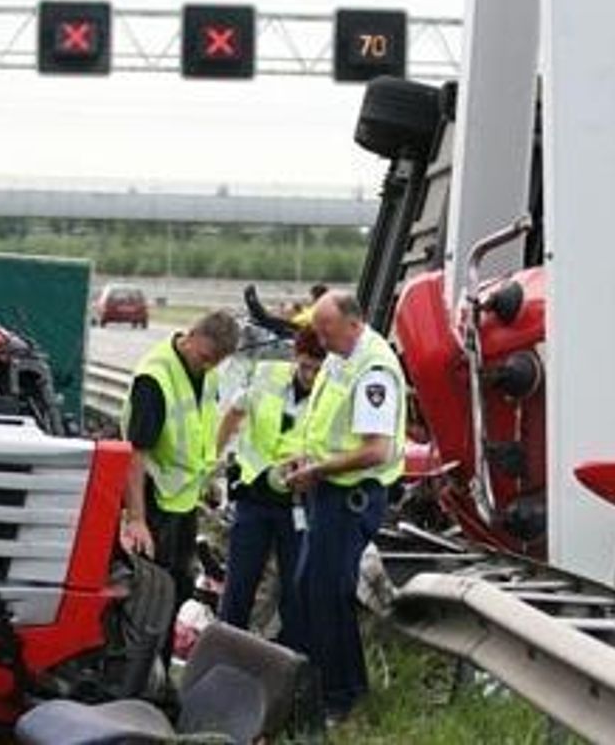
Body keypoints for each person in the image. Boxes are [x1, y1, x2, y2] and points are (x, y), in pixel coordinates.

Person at [285, 291, 406, 720]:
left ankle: (343, 695)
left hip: (350, 495)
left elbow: (376, 450)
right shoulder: (340, 356)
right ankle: (327, 687)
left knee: (328, 592)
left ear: (354, 324)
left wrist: (318, 470)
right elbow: (327, 423)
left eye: (327, 330)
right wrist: (306, 457)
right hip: (327, 489)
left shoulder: (373, 371)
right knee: (310, 588)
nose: (320, 340)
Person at [120, 310, 240, 666]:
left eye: (216, 361)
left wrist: (206, 480)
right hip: (154, 503)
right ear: (191, 335)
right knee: (150, 597)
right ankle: (137, 671)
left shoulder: (207, 374)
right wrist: (137, 519)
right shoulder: (155, 378)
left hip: (182, 502)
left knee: (178, 588)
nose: (208, 366)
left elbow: (198, 432)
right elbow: (135, 455)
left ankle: (159, 665)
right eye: (205, 357)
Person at [216, 327, 327, 651]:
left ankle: (291, 659)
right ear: (296, 357)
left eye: (317, 370)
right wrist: (213, 459)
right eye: (305, 366)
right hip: (254, 496)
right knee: (240, 583)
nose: (310, 376)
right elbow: (234, 413)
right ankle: (224, 651)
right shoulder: (267, 375)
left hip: (298, 502)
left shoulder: (332, 394)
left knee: (296, 586)